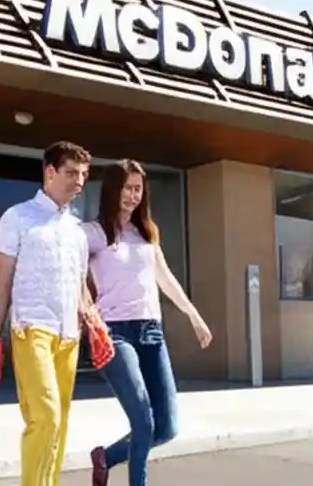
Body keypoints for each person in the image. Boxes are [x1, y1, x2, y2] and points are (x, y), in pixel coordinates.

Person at [84, 159, 213, 486]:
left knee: (166, 427)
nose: (132, 195)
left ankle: (106, 457)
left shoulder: (147, 234)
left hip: (151, 332)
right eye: (126, 188)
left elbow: (164, 277)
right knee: (143, 419)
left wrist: (193, 315)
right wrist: (87, 314)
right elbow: (71, 276)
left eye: (137, 189)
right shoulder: (93, 233)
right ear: (113, 189)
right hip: (114, 332)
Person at [0, 140, 101, 486]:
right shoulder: (18, 217)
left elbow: (80, 286)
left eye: (83, 174)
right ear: (49, 172)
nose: (79, 181)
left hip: (69, 336)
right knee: (45, 417)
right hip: (32, 329)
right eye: (71, 173)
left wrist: (96, 325)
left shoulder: (77, 231)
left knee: (60, 421)